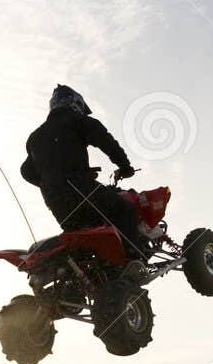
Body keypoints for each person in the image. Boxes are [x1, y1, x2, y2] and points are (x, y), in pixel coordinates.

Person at [19, 85, 150, 269]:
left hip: (58, 206)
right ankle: (132, 261)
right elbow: (106, 141)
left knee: (82, 237)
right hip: (81, 192)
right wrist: (125, 167)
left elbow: (26, 171)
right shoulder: (77, 120)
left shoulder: (34, 137)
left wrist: (50, 183)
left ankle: (96, 273)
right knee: (125, 210)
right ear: (75, 103)